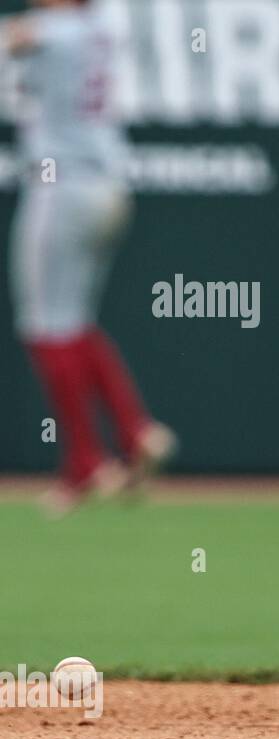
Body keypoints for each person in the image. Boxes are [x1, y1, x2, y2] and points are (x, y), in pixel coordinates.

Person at [1, 0, 175, 517]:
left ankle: (85, 462)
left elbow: (19, 35)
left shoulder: (57, 30)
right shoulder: (98, 25)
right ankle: (134, 429)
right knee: (73, 323)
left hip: (64, 186)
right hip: (108, 186)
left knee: (43, 327)